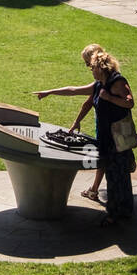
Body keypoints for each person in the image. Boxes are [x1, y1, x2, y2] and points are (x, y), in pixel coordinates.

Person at [35, 44, 105, 203]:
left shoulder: (106, 82)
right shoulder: (102, 81)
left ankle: (110, 202)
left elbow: (74, 90)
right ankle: (94, 189)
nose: (88, 67)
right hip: (104, 126)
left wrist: (50, 92)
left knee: (107, 158)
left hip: (111, 129)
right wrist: (77, 121)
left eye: (88, 64)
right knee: (104, 156)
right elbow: (88, 102)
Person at [88, 48, 136, 227]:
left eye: (92, 67)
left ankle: (115, 214)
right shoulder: (100, 84)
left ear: (100, 68)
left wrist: (109, 98)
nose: (91, 70)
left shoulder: (117, 82)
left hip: (118, 139)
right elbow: (77, 91)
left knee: (117, 177)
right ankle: (123, 210)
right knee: (115, 176)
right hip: (107, 139)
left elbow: (129, 102)